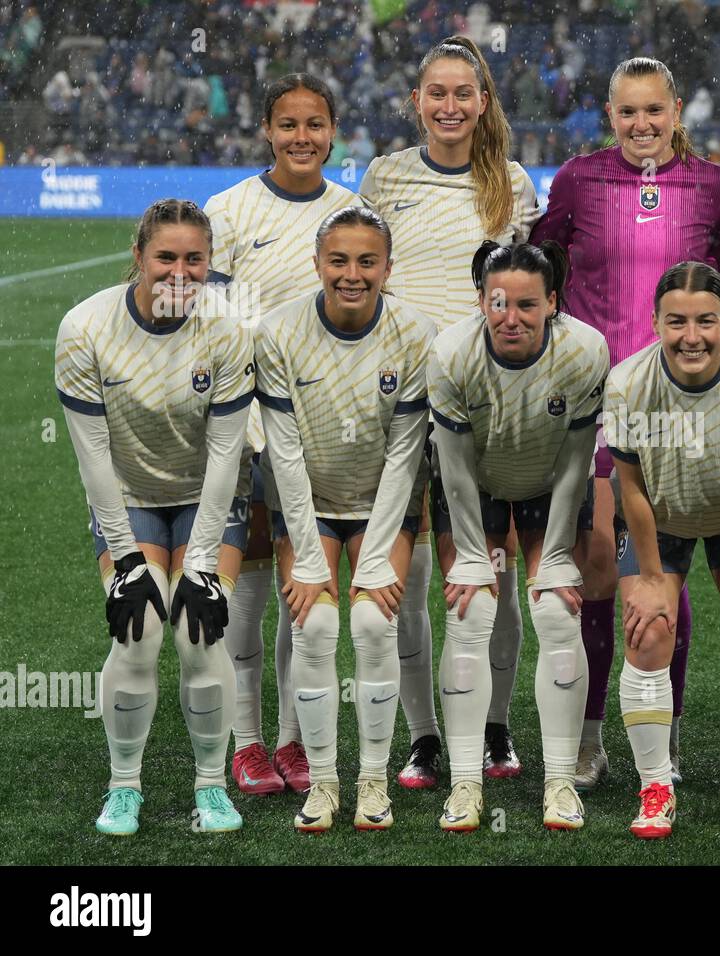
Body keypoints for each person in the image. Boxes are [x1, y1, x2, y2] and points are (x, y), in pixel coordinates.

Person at [530, 55, 720, 791]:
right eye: (628, 112)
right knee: (595, 566)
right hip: (594, 407)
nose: (642, 125)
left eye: (655, 111)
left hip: (682, 411)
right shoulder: (577, 181)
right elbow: (540, 271)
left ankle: (669, 728)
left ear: (677, 111)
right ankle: (589, 737)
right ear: (609, 115)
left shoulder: (714, 186)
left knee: (665, 572)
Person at [360, 36, 541, 786]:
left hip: (489, 407)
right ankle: (424, 735)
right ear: (417, 102)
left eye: (463, 93)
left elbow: (525, 295)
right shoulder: (383, 176)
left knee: (488, 572)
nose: (449, 106)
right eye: (436, 93)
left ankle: (495, 727)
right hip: (399, 405)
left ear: (483, 101)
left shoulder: (515, 183)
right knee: (408, 578)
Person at [55, 198, 255, 835]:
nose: (180, 271)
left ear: (210, 264)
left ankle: (211, 786)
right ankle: (123, 786)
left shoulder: (227, 333)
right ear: (138, 255)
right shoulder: (84, 328)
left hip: (207, 496)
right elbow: (93, 460)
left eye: (194, 259)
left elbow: (227, 455)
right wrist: (125, 560)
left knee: (200, 631)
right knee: (138, 626)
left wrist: (199, 565)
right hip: (130, 496)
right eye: (165, 256)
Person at [255, 207, 433, 832]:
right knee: (316, 625)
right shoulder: (278, 333)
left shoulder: (416, 334)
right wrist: (307, 554)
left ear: (388, 267)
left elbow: (407, 453)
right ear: (317, 264)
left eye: (366, 261)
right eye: (339, 260)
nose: (352, 274)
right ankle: (325, 782)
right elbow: (283, 454)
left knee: (372, 621)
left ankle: (374, 782)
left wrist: (379, 553)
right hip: (308, 498)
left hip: (384, 497)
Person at [204, 72, 356, 797]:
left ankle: (295, 741)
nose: (302, 137)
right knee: (252, 579)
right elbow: (211, 326)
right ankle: (247, 741)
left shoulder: (353, 211)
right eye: (289, 124)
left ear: (334, 131)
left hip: (322, 424)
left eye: (315, 124)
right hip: (246, 422)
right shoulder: (228, 210)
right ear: (266, 128)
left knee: (307, 579)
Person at [605, 262, 720, 839]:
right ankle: (655, 785)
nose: (693, 336)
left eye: (706, 321)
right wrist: (652, 578)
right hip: (660, 514)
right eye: (677, 322)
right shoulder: (627, 384)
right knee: (649, 630)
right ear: (655, 322)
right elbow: (629, 489)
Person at [429, 241, 608, 832]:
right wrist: (474, 558)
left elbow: (577, 463)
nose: (512, 317)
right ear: (480, 300)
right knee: (469, 611)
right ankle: (464, 784)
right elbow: (452, 467)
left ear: (553, 302)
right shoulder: (452, 354)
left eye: (528, 305)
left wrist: (555, 555)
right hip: (473, 485)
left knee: (557, 611)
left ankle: (559, 782)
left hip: (547, 482)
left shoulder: (585, 352)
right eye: (498, 302)